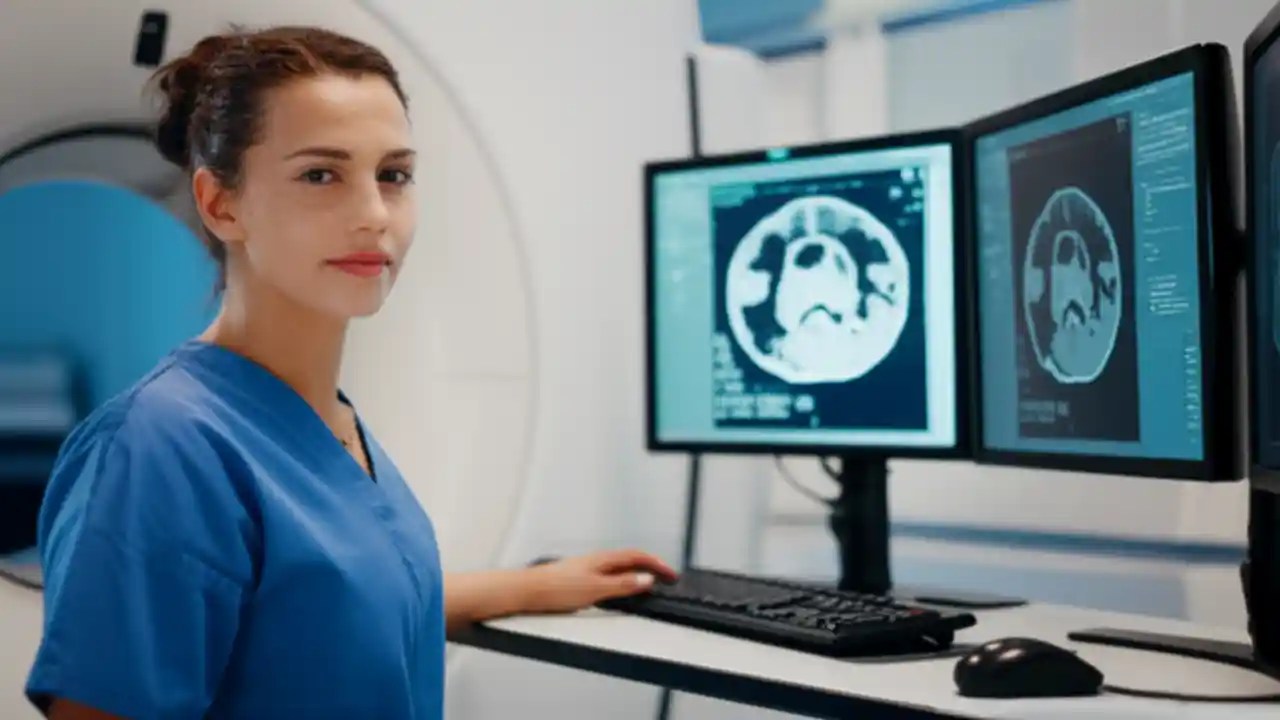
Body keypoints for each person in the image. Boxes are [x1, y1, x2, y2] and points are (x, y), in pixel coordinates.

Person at [23, 25, 676, 720]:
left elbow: (326, 605)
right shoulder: (158, 448)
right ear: (221, 204)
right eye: (320, 174)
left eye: (393, 175)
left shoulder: (326, 422)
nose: (373, 216)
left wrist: (534, 587)